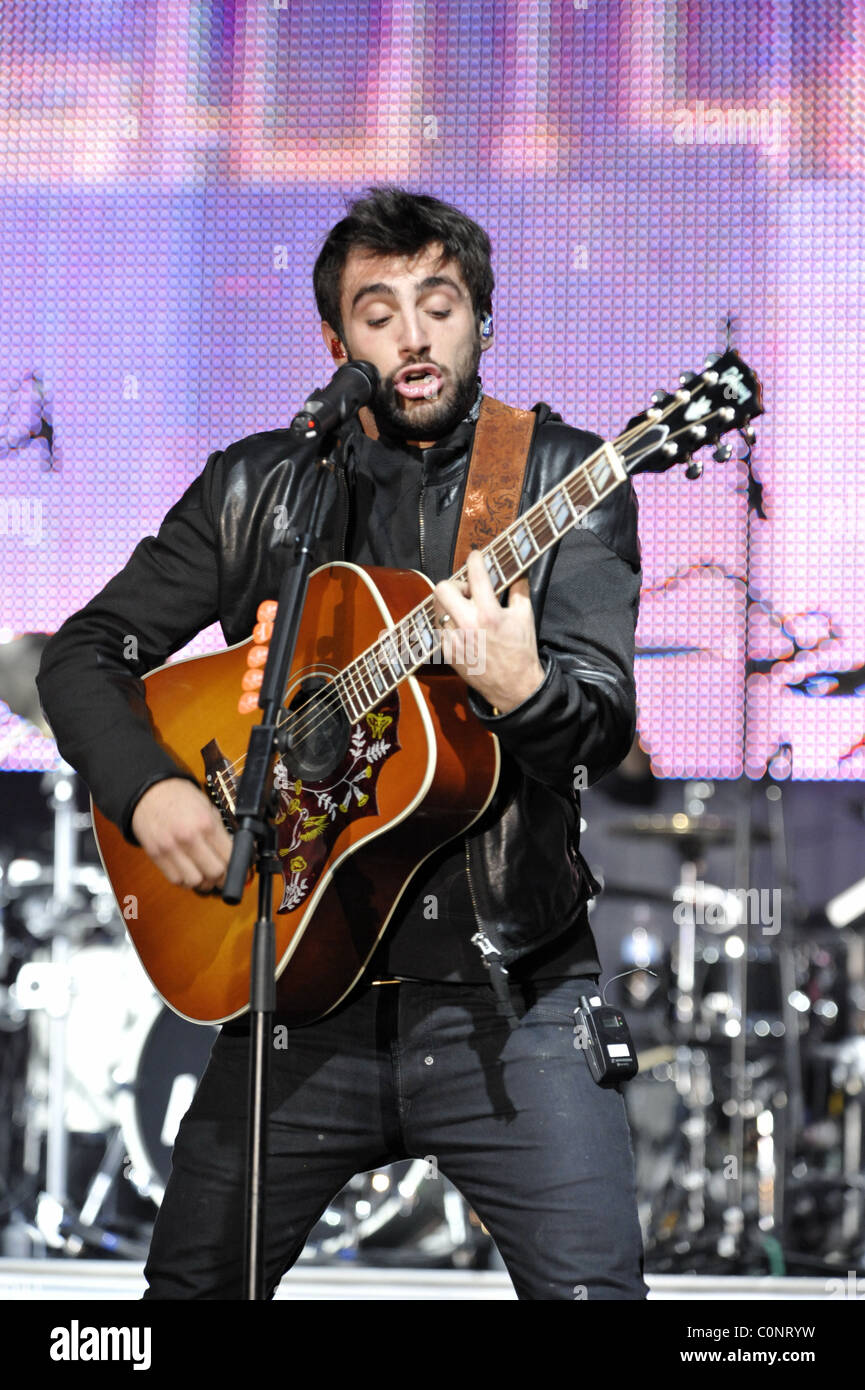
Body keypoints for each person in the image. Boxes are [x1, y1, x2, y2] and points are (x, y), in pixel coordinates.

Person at [37, 186, 648, 1300]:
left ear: (482, 321)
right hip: (294, 997)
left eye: (439, 304)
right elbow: (82, 655)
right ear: (337, 342)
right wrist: (149, 792)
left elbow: (598, 719)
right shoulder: (260, 484)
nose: (413, 336)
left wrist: (523, 690)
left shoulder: (559, 477)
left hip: (511, 998)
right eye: (379, 312)